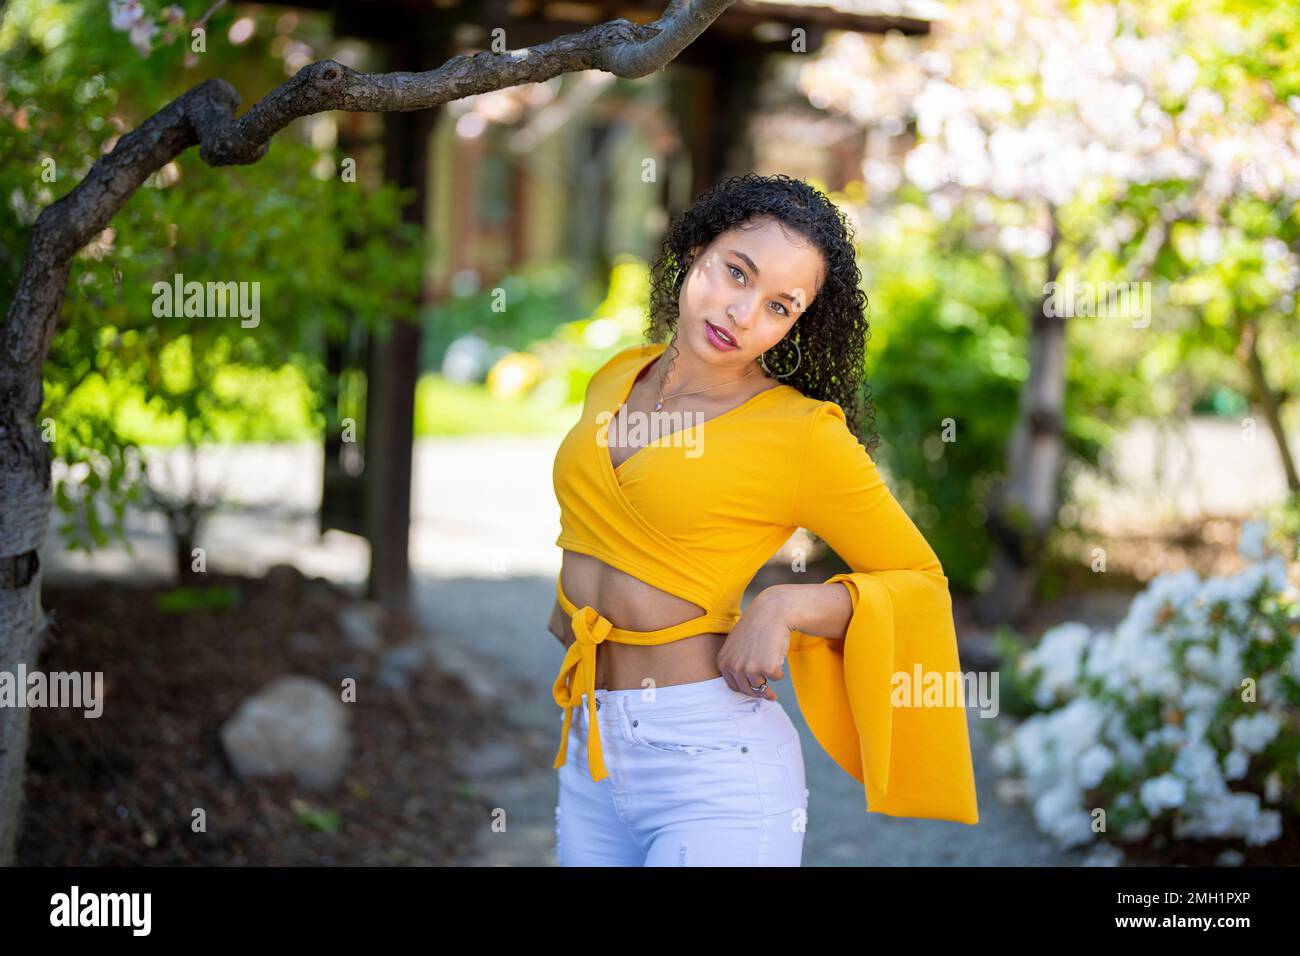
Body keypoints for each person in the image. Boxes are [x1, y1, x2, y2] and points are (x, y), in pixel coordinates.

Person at [547, 173, 978, 867]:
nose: (743, 313)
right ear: (694, 252)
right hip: (591, 742)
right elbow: (600, 516)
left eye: (779, 305)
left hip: (713, 762)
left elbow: (920, 580)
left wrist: (787, 605)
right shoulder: (618, 375)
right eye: (735, 272)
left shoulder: (801, 433)